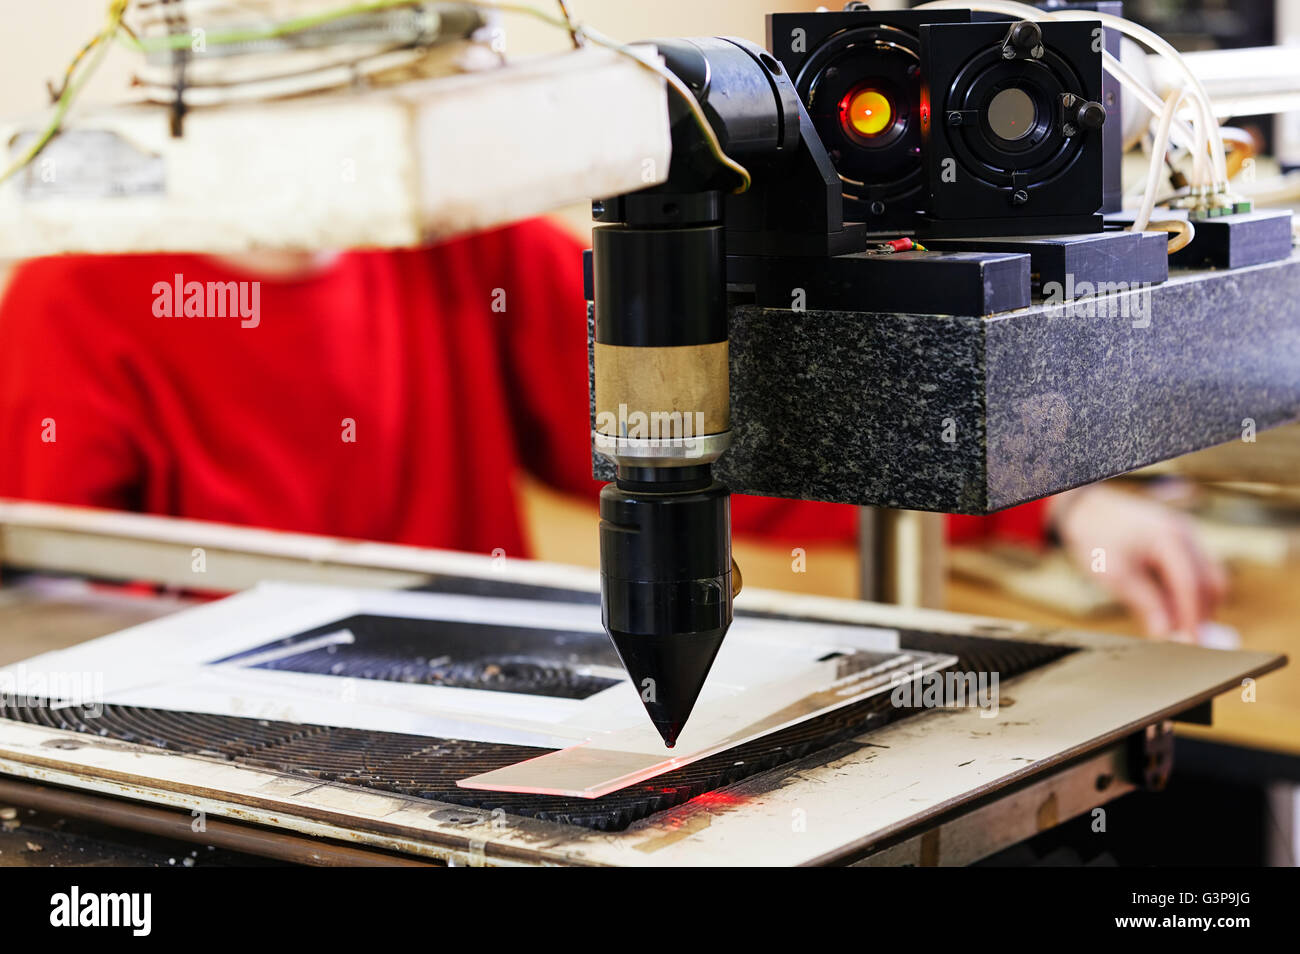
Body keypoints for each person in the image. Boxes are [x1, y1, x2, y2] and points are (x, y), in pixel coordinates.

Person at [0, 218, 1224, 639]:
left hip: (492, 737)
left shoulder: (463, 250)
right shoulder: (70, 306)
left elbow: (716, 439)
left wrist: (1057, 497)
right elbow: (57, 628)